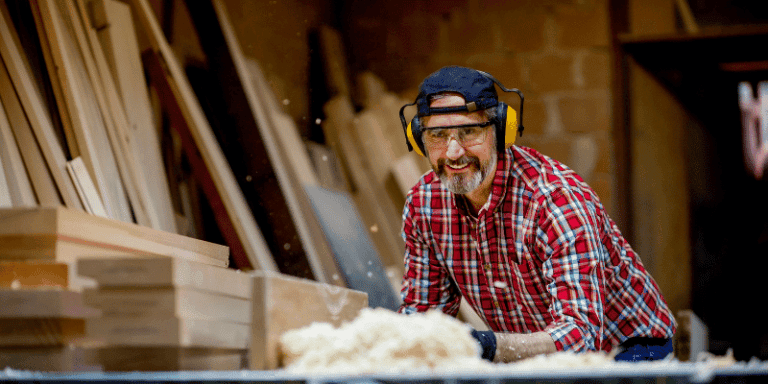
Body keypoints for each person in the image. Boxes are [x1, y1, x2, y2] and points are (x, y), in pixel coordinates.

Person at [397, 66, 676, 363]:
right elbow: (422, 316)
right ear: (419, 140)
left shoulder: (556, 201)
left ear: (500, 131)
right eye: (437, 135)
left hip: (627, 348)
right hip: (530, 353)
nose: (453, 152)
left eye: (469, 132)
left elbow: (580, 336)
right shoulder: (424, 204)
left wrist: (488, 347)